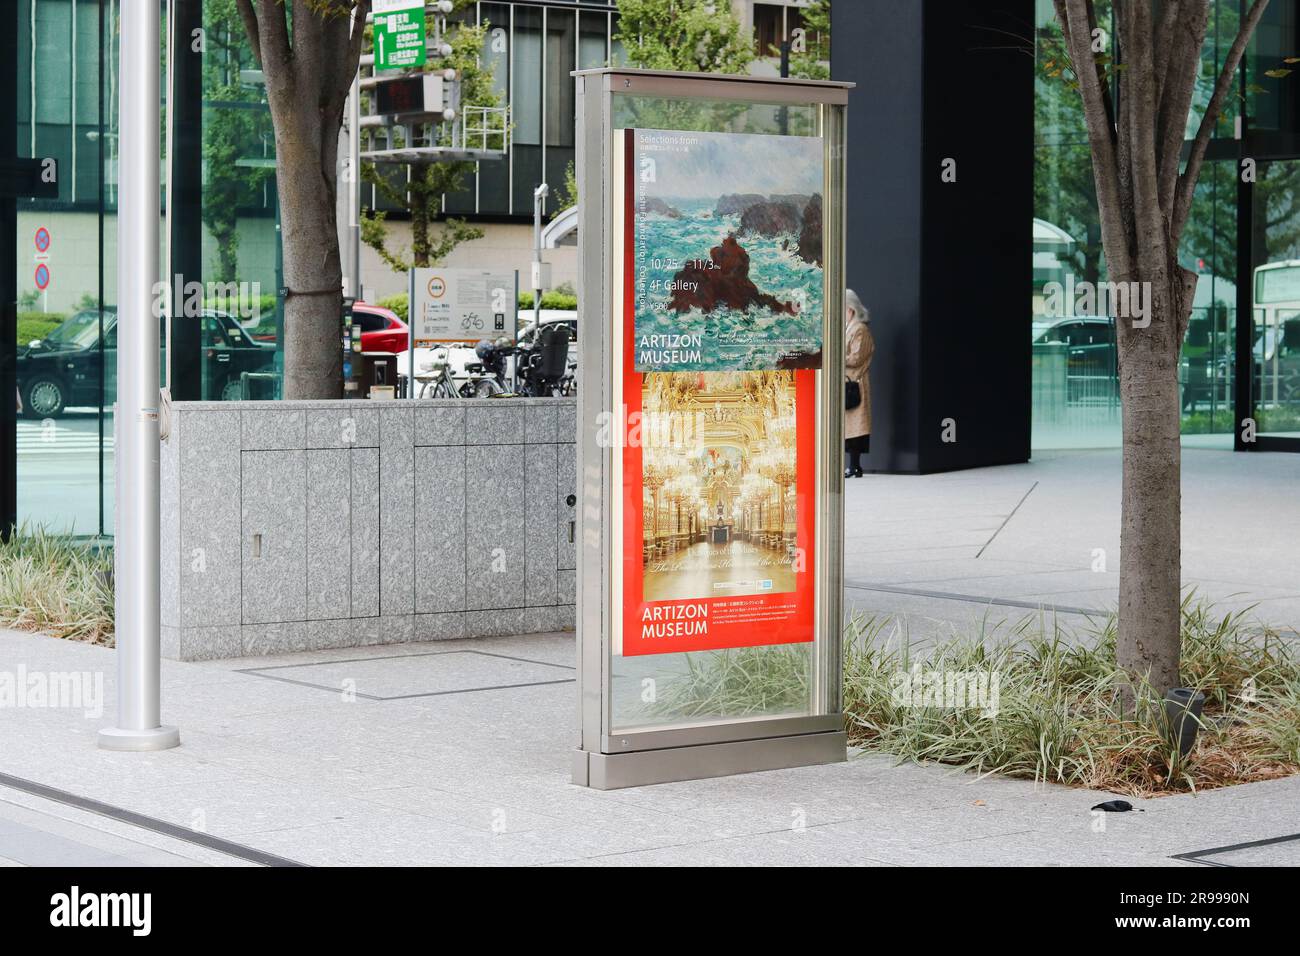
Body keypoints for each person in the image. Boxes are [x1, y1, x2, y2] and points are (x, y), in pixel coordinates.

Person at [844, 288, 873, 478]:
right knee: (849, 425)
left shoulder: (859, 329)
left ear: (851, 309)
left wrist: (835, 356)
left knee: (857, 425)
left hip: (855, 382)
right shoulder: (849, 328)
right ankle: (852, 466)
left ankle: (855, 465)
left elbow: (856, 357)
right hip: (848, 381)